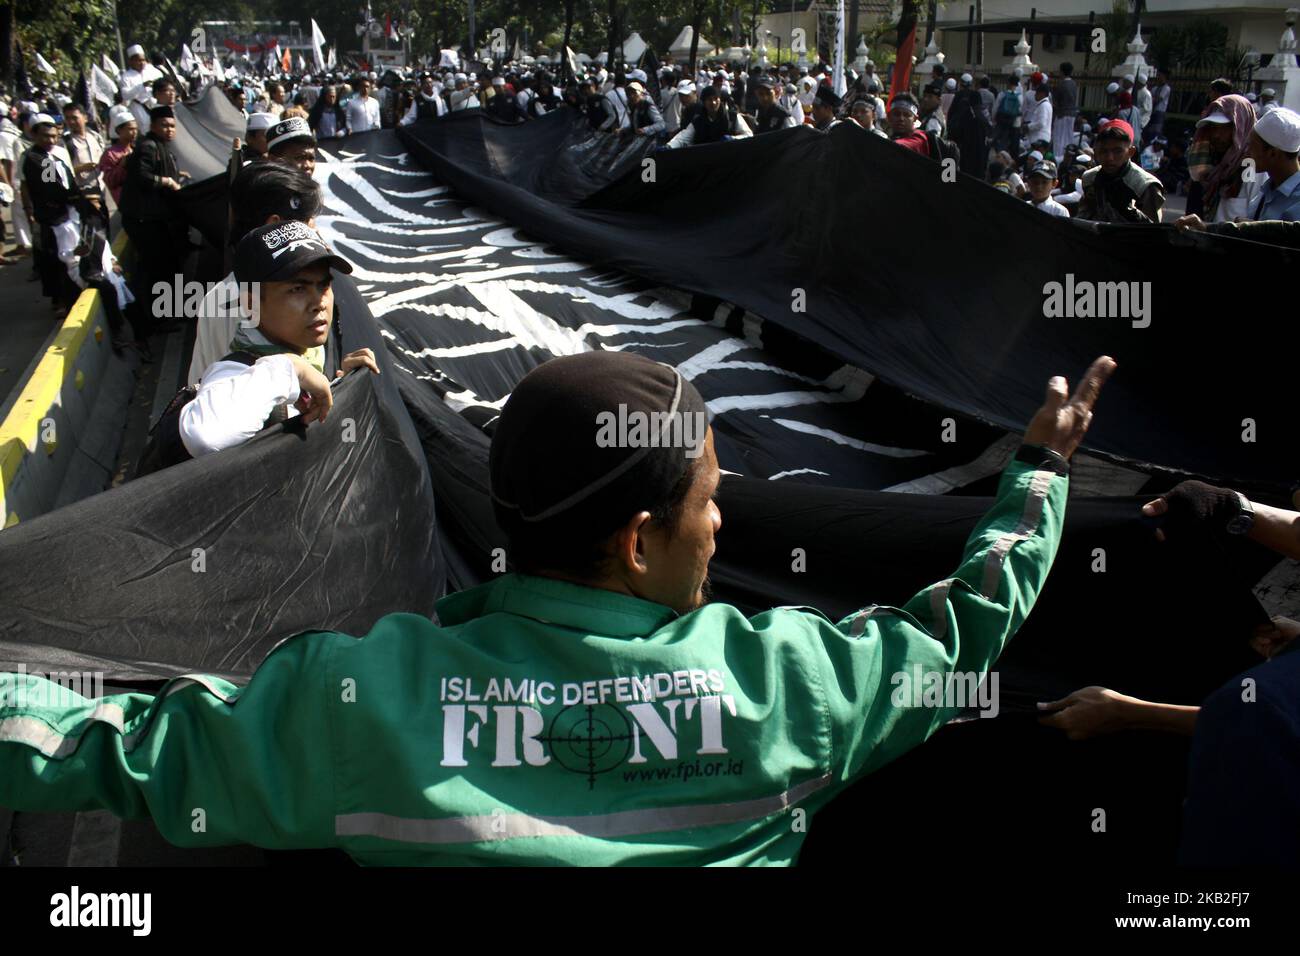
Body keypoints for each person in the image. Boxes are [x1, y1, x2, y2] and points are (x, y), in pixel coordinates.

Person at [0, 346, 1114, 864]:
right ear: (639, 542)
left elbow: (109, 744)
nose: (721, 525)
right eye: (711, 501)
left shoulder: (353, 700)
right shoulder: (796, 684)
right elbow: (964, 621)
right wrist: (1039, 476)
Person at [176, 221, 377, 464]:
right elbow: (204, 436)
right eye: (297, 289)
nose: (319, 302)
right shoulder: (234, 374)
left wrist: (344, 388)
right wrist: (289, 368)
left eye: (324, 285)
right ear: (252, 305)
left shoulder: (308, 350)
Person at [188, 163, 323, 384]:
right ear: (275, 227)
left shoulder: (217, 295)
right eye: (308, 223)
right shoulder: (270, 305)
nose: (316, 231)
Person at [119, 105, 188, 334]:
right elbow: (142, 176)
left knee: (167, 268)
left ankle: (171, 313)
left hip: (156, 219)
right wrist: (168, 182)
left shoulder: (161, 147)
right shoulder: (148, 147)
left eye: (172, 126)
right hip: (144, 220)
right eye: (164, 125)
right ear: (153, 126)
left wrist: (178, 177)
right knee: (158, 269)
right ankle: (159, 320)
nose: (169, 130)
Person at [19, 114, 81, 309]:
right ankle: (59, 300)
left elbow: (69, 178)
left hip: (68, 212)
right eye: (45, 136)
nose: (50, 140)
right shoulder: (30, 158)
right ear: (34, 135)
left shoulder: (61, 152)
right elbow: (26, 186)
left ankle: (73, 293)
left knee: (71, 254)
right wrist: (28, 209)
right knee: (52, 258)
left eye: (54, 136)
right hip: (48, 215)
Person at [1185, 94, 1258, 223]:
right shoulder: (1207, 165)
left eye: (1225, 128)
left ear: (1241, 127)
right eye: (1213, 128)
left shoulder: (1252, 167)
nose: (1217, 135)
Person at [1076, 119, 1164, 223]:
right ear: (1096, 153)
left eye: (1117, 151)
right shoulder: (1090, 178)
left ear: (1130, 152)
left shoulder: (1145, 185)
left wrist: (1132, 212)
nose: (1110, 158)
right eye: (1104, 151)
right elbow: (1083, 217)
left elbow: (1153, 232)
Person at [666, 85, 751, 148]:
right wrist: (669, 146)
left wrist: (733, 139)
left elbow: (748, 135)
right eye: (709, 99)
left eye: (715, 99)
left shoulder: (733, 117)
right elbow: (683, 137)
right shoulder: (698, 121)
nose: (713, 102)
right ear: (704, 102)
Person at [946, 74, 990, 179]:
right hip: (977, 165)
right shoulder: (982, 117)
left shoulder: (964, 113)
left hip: (960, 156)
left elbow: (952, 127)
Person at [96, 107, 137, 208]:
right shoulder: (110, 154)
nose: (135, 132)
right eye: (131, 129)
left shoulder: (137, 148)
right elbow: (110, 181)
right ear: (119, 130)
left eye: (136, 129)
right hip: (127, 203)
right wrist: (122, 164)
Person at [119, 44, 163, 130]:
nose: (142, 63)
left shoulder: (153, 71)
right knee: (145, 129)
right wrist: (141, 86)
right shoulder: (126, 77)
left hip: (155, 104)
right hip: (138, 107)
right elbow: (125, 95)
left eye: (143, 60)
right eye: (138, 60)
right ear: (131, 61)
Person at [1051, 63, 1078, 158]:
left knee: (1059, 137)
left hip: (1061, 114)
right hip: (1072, 114)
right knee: (1069, 136)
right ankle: (1068, 155)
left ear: (1062, 71)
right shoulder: (1074, 84)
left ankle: (1058, 157)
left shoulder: (1061, 85)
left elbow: (1056, 101)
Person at [992, 73, 1023, 160]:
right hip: (1015, 123)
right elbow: (1022, 110)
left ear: (1008, 83)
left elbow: (995, 108)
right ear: (1017, 84)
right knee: (1014, 144)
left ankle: (1001, 159)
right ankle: (1013, 160)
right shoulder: (1020, 96)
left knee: (1002, 142)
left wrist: (994, 119)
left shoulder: (1002, 94)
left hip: (1002, 122)